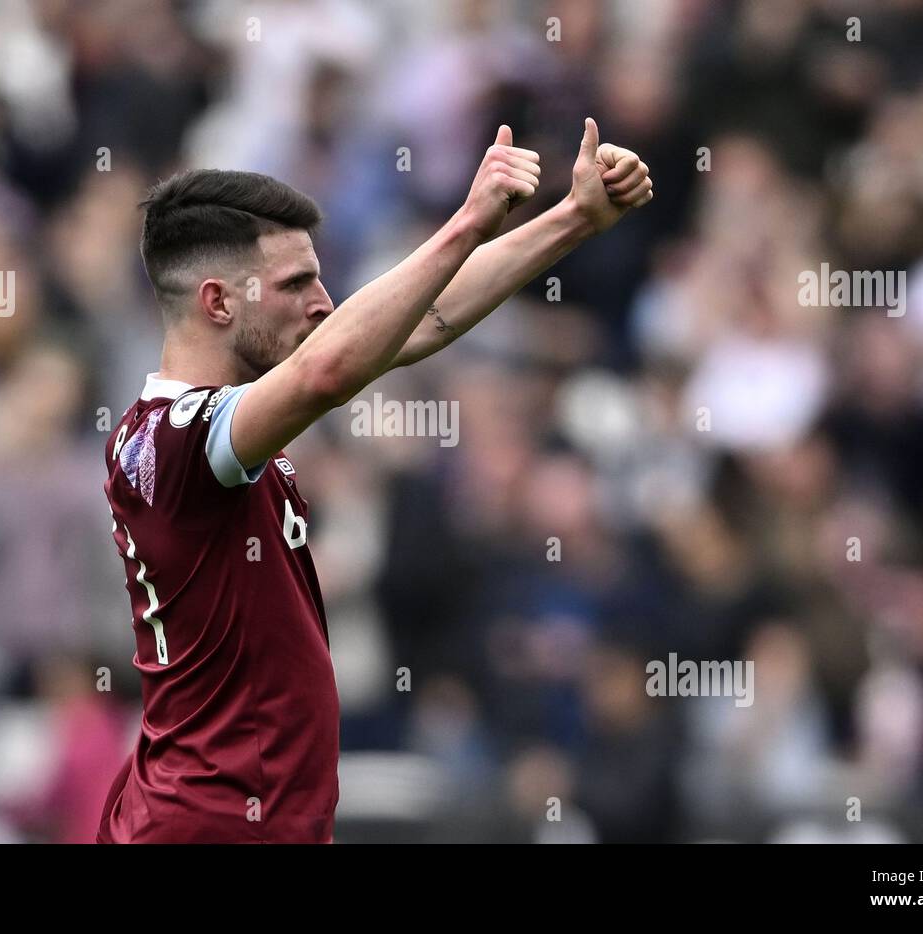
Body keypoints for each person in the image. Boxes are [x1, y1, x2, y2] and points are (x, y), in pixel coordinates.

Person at [97, 119, 654, 843]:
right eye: (297, 285)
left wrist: (573, 219)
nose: (323, 303)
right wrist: (467, 222)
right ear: (218, 302)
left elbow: (423, 319)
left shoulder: (214, 430)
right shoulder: (177, 438)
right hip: (210, 826)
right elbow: (330, 369)